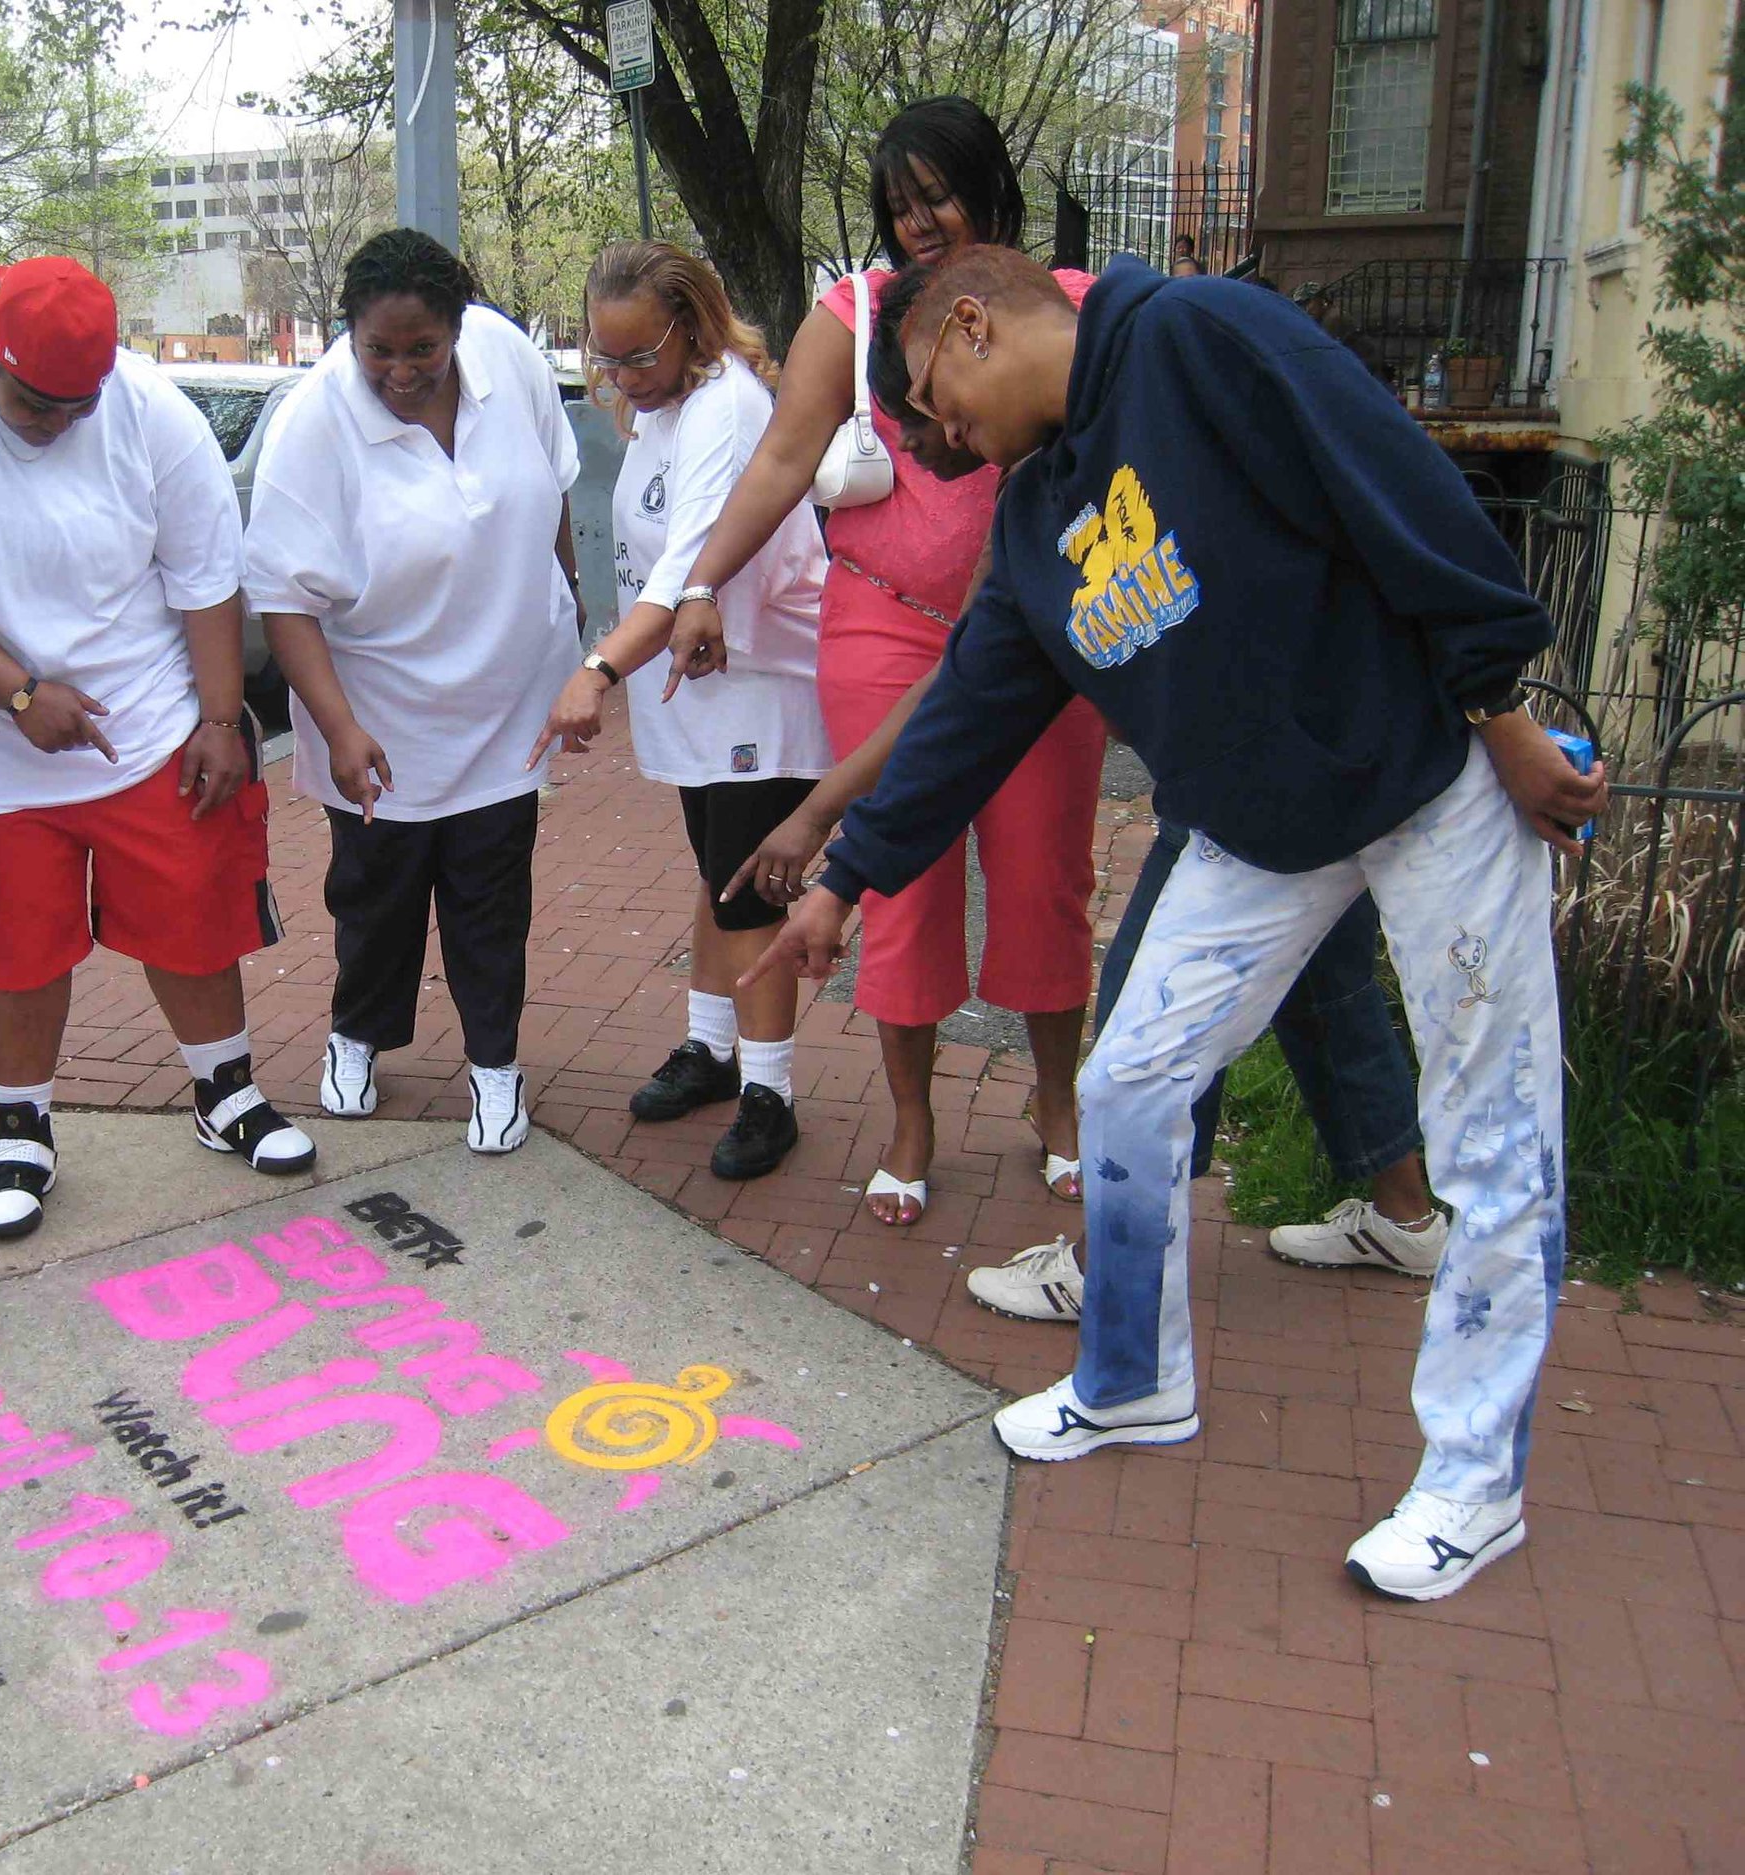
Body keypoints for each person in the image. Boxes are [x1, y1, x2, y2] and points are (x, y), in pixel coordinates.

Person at [749, 247, 1607, 1601]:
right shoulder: (1035, 518)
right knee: (1127, 1082)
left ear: (973, 320)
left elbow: (1394, 485)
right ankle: (1132, 1374)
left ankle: (1474, 1477)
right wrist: (847, 875)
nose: (938, 436)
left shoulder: (1200, 338)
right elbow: (971, 707)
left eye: (937, 397)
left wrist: (1499, 705)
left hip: (1430, 775)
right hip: (1257, 828)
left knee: (1494, 1139)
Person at [663, 97, 1107, 1229]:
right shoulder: (848, 317)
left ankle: (1058, 1108)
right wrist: (702, 584)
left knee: (1043, 882)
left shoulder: (1070, 310)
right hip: (883, 624)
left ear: (990, 186)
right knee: (893, 885)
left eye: (938, 196)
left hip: (1041, 640)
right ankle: (909, 1125)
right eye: (898, 204)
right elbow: (775, 464)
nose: (918, 222)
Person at [0, 255, 311, 1243]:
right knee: (14, 945)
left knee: (192, 912)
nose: (60, 423)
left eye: (79, 404)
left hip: (143, 722)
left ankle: (224, 1092)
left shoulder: (150, 411)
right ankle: (20, 1128)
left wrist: (216, 717)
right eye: (36, 405)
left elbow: (203, 573)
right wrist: (18, 693)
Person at [243, 229, 582, 1154]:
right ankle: (358, 1033)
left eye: (422, 348)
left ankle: (496, 1068)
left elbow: (552, 499)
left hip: (505, 704)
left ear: (460, 329)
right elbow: (282, 597)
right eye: (377, 349)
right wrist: (340, 729)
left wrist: (574, 637)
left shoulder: (508, 363)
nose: (400, 369)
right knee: (376, 896)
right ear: (348, 334)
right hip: (378, 715)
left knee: (490, 897)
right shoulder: (315, 423)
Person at [530, 240, 831, 1179]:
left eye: (638, 356)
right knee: (717, 874)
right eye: (604, 359)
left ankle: (770, 1090)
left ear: (691, 326)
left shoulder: (730, 409)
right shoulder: (662, 411)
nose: (621, 377)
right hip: (695, 696)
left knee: (751, 890)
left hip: (758, 690)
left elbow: (686, 564)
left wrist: (598, 669)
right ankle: (711, 1045)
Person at [965, 825, 1448, 1321]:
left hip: (1240, 792)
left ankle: (1109, 1269)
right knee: (1328, 992)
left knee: (1155, 1008)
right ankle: (1405, 1217)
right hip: (1343, 790)